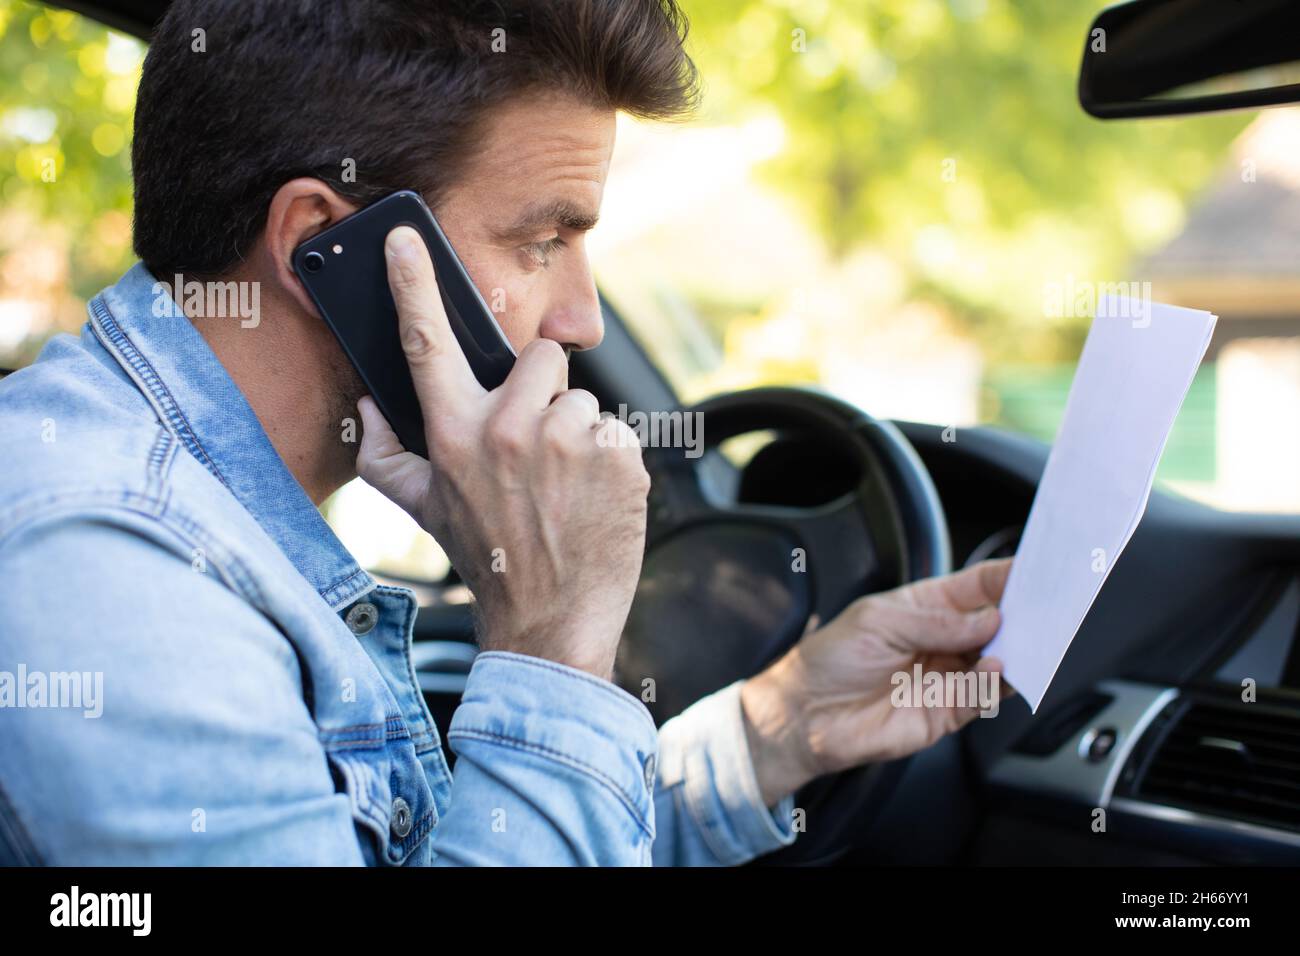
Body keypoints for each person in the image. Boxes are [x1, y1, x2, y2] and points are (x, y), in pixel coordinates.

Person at [0, 0, 1011, 866]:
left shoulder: (194, 515)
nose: (583, 319)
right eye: (542, 242)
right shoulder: (106, 566)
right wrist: (555, 644)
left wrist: (776, 730)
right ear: (324, 247)